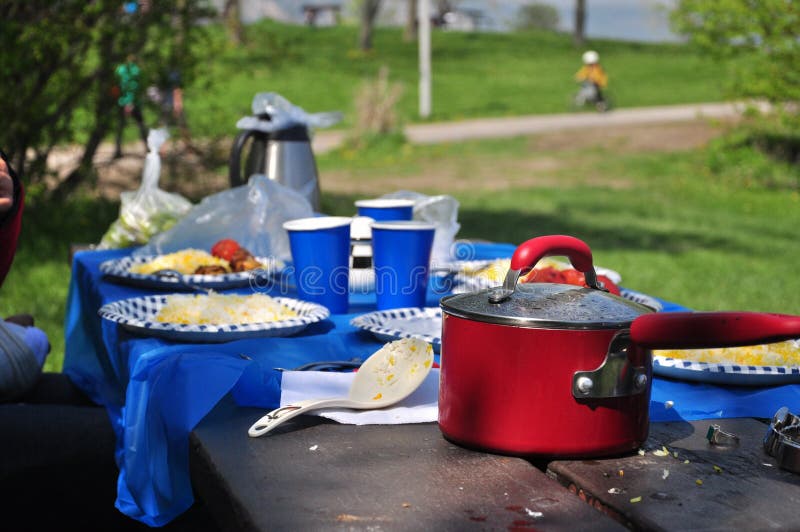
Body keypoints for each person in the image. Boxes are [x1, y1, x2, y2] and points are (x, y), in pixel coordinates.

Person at [114, 54, 149, 159]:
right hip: (129, 102)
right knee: (138, 124)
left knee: (125, 125)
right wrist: (129, 103)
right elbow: (130, 87)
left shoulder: (120, 70)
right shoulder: (133, 71)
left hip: (125, 102)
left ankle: (118, 149)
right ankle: (118, 149)